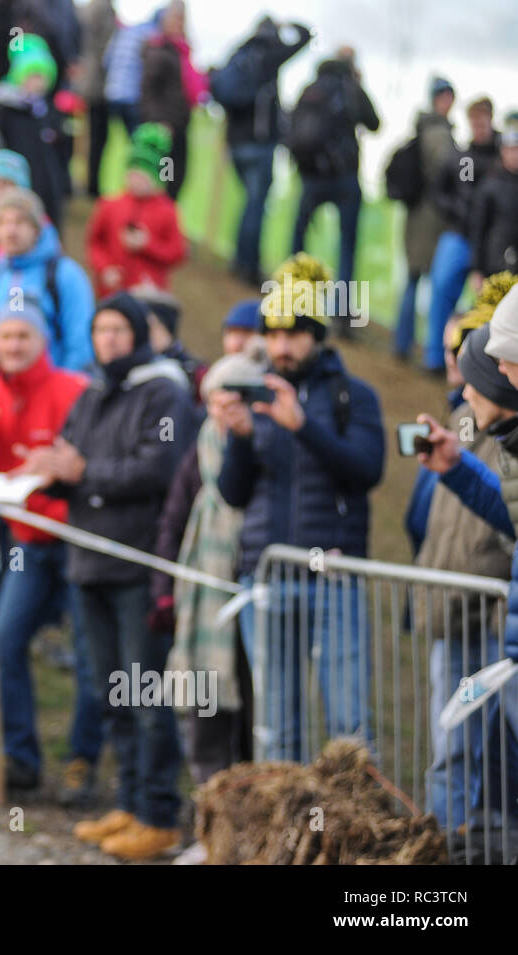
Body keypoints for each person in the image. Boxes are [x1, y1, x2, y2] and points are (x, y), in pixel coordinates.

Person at [27, 291, 194, 861]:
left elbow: (160, 467)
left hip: (138, 564)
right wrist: (46, 471)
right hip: (88, 563)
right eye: (100, 330)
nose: (109, 340)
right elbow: (71, 456)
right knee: (108, 693)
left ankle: (160, 813)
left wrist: (84, 471)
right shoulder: (93, 392)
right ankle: (125, 802)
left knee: (146, 695)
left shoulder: (165, 391)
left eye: (120, 329)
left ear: (140, 334)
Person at [212, 254, 385, 762]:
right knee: (274, 726)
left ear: (317, 333)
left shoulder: (355, 396)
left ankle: (353, 834)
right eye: (272, 333)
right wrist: (241, 438)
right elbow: (233, 493)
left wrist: (303, 425)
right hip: (266, 576)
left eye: (294, 333)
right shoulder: (256, 393)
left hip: (333, 577)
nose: (281, 346)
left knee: (348, 725)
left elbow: (366, 470)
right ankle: (284, 837)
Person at [0, 303, 101, 797]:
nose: (13, 346)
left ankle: (84, 759)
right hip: (28, 546)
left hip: (78, 542)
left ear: (43, 342)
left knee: (89, 654)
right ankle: (19, 758)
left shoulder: (75, 391)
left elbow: (88, 466)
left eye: (23, 336)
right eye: (5, 337)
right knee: (4, 640)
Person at [407, 318, 516, 834]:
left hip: (493, 628)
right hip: (466, 623)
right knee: (456, 748)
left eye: (473, 375)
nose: (464, 390)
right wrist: (456, 467)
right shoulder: (495, 437)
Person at [152, 344, 268, 792]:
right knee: (205, 718)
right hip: (204, 607)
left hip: (248, 600)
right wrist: (164, 590)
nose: (221, 412)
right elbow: (174, 521)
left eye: (231, 402)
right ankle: (210, 813)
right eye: (214, 402)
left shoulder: (262, 449)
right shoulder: (199, 451)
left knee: (252, 714)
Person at [216, 16, 311, 285]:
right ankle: (248, 266)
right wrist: (289, 25)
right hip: (259, 145)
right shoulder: (269, 56)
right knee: (256, 205)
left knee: (249, 203)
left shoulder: (239, 54)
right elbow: (305, 38)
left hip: (235, 145)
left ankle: (239, 259)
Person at [287, 47, 379, 312]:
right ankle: (342, 312)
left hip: (311, 177)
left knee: (299, 236)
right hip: (345, 178)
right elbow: (374, 123)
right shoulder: (351, 89)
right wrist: (359, 85)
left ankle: (290, 294)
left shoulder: (311, 88)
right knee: (347, 244)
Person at [0, 186, 96, 372]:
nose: (10, 230)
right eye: (1, 222)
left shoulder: (65, 274)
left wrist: (64, 390)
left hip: (53, 387)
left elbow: (80, 341)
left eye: (20, 221)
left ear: (37, 229)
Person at [425, 98, 499, 370]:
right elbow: (440, 189)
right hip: (459, 234)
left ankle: (480, 363)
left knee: (488, 301)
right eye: (474, 122)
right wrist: (455, 209)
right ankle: (436, 356)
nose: (478, 127)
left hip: (492, 241)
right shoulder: (464, 157)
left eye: (482, 121)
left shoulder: (501, 157)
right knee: (442, 287)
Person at [394, 76, 458, 366]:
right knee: (431, 282)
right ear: (441, 99)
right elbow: (448, 171)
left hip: (417, 214)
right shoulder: (439, 133)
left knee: (413, 279)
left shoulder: (423, 128)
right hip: (432, 218)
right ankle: (430, 351)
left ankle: (404, 342)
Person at [86, 122, 186, 298]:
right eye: (133, 174)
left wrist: (148, 245)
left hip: (149, 294)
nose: (136, 181)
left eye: (143, 176)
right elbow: (95, 242)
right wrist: (105, 268)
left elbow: (177, 252)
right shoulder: (109, 204)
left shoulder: (167, 210)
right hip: (111, 291)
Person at [0, 33, 70, 225]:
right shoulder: (4, 108)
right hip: (18, 181)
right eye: (32, 76)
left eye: (42, 77)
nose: (37, 82)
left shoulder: (46, 110)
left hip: (46, 183)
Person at [138, 0, 206, 199]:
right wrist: (158, 121)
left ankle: (165, 215)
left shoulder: (181, 51)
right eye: (175, 19)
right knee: (164, 175)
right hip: (163, 128)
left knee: (177, 175)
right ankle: (157, 214)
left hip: (179, 124)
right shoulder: (159, 51)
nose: (179, 24)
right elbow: (149, 89)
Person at [468, 114, 518, 282]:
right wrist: (476, 269)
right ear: (502, 151)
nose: (514, 155)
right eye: (510, 150)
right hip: (494, 267)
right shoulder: (489, 184)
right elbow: (478, 228)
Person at [76, 0, 117, 198]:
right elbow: (102, 45)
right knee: (96, 136)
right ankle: (90, 186)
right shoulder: (101, 7)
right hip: (96, 84)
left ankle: (90, 184)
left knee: (95, 136)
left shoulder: (96, 7)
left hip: (94, 82)